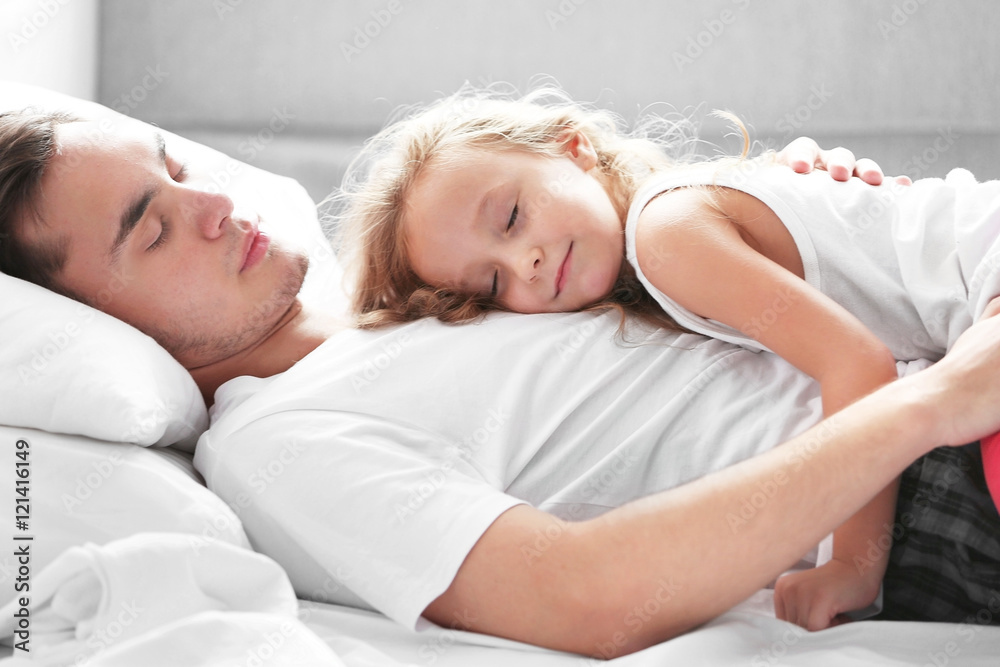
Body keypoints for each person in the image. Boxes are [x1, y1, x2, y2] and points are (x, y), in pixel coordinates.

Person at [2, 97, 1000, 659]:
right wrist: (927, 405)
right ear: (91, 321)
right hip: (933, 486)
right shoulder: (278, 447)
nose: (210, 202)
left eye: (176, 166)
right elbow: (587, 595)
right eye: (153, 226)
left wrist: (801, 208)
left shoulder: (415, 283)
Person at [334, 87, 1000, 630]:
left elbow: (859, 362)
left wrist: (852, 564)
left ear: (575, 148)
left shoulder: (666, 233)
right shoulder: (660, 250)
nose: (525, 263)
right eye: (492, 285)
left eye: (509, 217)